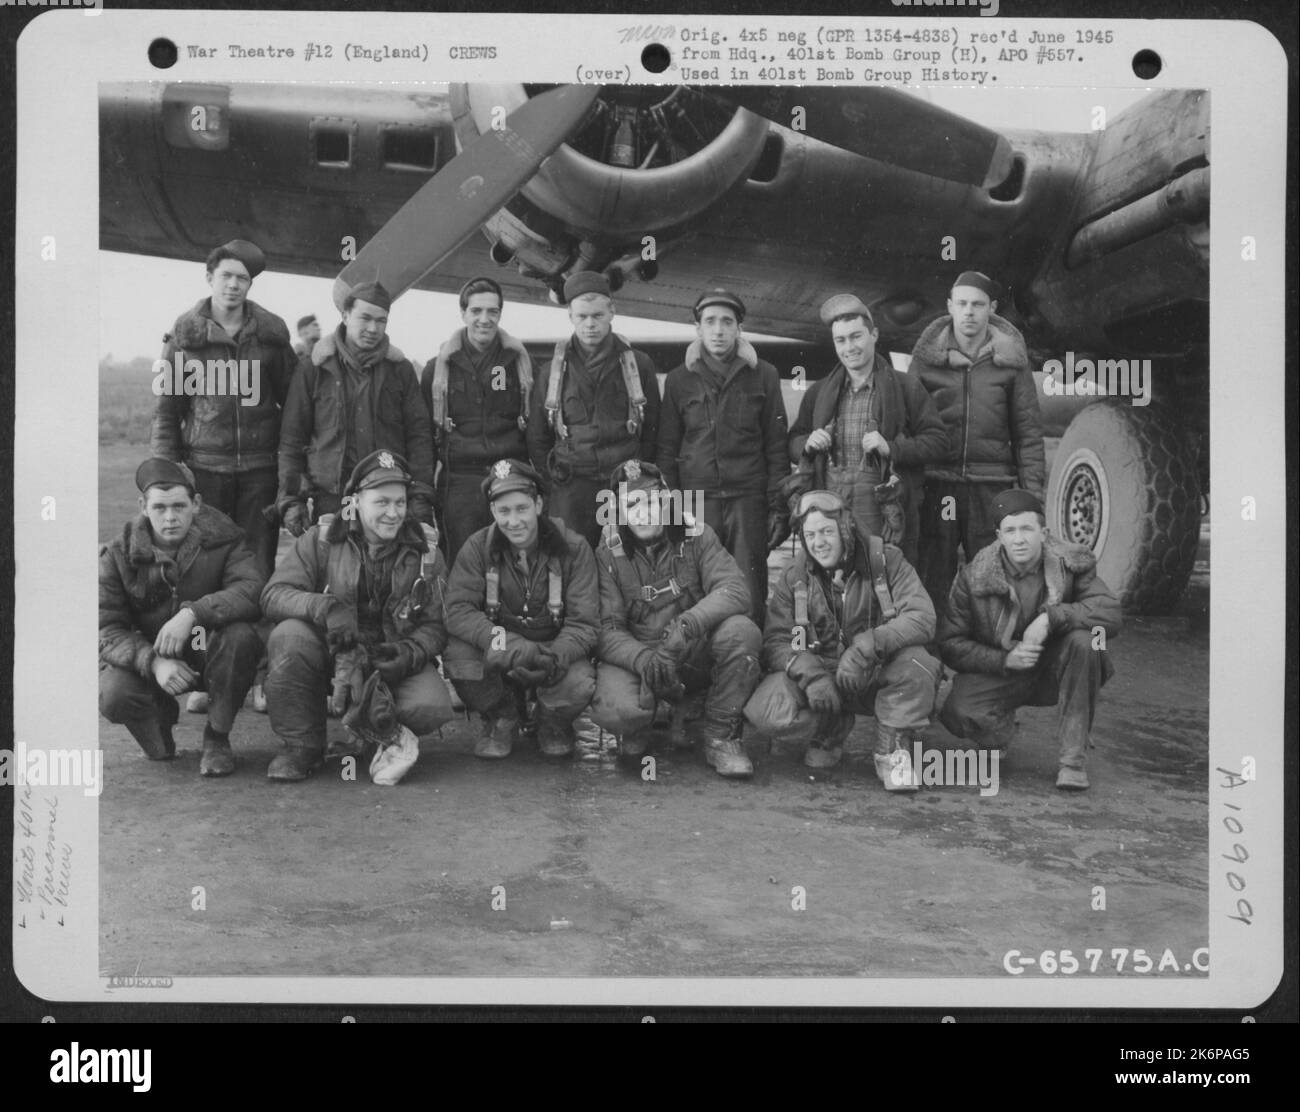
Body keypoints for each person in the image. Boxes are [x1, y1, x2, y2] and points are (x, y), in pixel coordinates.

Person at [260, 450, 454, 783]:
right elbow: (274, 595)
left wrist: (410, 653)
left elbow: (437, 624)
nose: (393, 514)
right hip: (329, 654)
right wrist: (326, 608)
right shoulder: (322, 539)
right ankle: (301, 746)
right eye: (381, 503)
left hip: (388, 659)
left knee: (431, 705)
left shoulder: (427, 551)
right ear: (356, 501)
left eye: (400, 503)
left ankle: (373, 730)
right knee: (288, 637)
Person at [744, 490, 940, 790]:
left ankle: (893, 750)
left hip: (873, 671)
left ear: (846, 530)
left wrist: (867, 647)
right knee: (766, 711)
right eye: (810, 535)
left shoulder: (886, 561)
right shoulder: (795, 575)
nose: (818, 542)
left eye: (826, 531)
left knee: (916, 664)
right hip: (824, 673)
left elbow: (922, 617)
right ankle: (830, 728)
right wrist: (809, 674)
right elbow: (776, 640)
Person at [936, 488, 1121, 791]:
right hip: (1004, 671)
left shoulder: (1072, 564)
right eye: (1010, 530)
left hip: (1057, 667)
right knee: (957, 710)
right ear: (999, 535)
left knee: (1088, 641)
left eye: (1027, 529)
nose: (1019, 539)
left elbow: (1110, 614)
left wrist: (1052, 617)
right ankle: (999, 733)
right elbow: (950, 645)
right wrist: (1004, 659)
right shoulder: (973, 577)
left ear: (1044, 533)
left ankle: (1073, 761)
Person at [589, 460, 761, 778]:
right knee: (617, 708)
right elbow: (607, 628)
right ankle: (641, 722)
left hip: (688, 651)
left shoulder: (697, 535)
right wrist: (645, 661)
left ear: (668, 500)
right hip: (640, 659)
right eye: (632, 504)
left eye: (652, 501)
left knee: (741, 633)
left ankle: (721, 736)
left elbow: (736, 590)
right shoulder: (607, 552)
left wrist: (686, 626)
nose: (644, 511)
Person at [99, 459, 264, 777]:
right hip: (150, 658)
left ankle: (217, 736)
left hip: (207, 649)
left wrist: (194, 612)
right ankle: (157, 721)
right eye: (160, 508)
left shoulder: (225, 540)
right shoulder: (118, 554)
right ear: (143, 507)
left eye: (179, 506)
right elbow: (106, 629)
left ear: (196, 504)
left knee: (241, 637)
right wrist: (154, 662)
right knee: (113, 693)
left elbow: (252, 590)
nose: (171, 518)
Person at [443, 459, 599, 759]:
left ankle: (552, 722)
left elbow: (586, 623)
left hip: (553, 650)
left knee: (579, 682)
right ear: (492, 512)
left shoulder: (574, 548)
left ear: (538, 504)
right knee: (459, 655)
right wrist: (507, 644)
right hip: (503, 649)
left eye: (521, 509)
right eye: (504, 511)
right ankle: (503, 715)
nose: (513, 521)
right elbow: (458, 609)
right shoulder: (477, 548)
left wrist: (554, 657)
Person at [910, 271, 1045, 609]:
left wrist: (1031, 499)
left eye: (978, 304)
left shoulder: (1012, 364)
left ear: (992, 309)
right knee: (933, 572)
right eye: (963, 304)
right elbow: (908, 426)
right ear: (950, 307)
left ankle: (987, 653)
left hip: (991, 486)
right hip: (938, 484)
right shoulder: (926, 362)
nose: (969, 312)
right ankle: (931, 653)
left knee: (991, 574)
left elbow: (1028, 435)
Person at [657, 288, 789, 626]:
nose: (718, 330)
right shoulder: (677, 380)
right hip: (696, 501)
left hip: (747, 499)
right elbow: (667, 449)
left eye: (727, 322)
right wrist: (673, 504)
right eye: (710, 321)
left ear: (739, 329)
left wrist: (777, 505)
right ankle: (701, 662)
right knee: (696, 585)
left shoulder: (765, 375)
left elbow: (776, 447)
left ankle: (750, 655)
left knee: (749, 585)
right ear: (698, 328)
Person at [787, 293, 946, 568]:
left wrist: (892, 448)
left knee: (883, 572)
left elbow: (939, 442)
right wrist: (807, 444)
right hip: (831, 499)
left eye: (856, 336)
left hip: (881, 502)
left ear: (874, 334)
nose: (849, 347)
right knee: (834, 577)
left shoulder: (906, 387)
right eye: (841, 340)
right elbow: (793, 441)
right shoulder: (819, 392)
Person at [277, 281, 436, 534]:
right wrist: (290, 499)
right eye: (365, 318)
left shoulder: (401, 371)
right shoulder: (313, 369)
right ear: (345, 315)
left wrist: (419, 496)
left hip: (388, 497)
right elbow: (292, 439)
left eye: (381, 321)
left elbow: (419, 437)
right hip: (331, 497)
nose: (373, 328)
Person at [527, 271, 660, 548]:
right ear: (570, 316)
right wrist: (554, 486)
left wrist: (636, 475)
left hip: (624, 483)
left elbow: (654, 430)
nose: (590, 324)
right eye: (582, 316)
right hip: (571, 487)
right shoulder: (551, 371)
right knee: (571, 562)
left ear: (612, 312)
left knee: (627, 560)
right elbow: (538, 437)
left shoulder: (639, 365)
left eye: (597, 316)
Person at [421, 276, 533, 561]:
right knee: (462, 560)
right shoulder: (437, 370)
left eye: (492, 311)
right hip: (460, 482)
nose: (484, 319)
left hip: (509, 477)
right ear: (463, 314)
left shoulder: (520, 364)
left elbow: (536, 428)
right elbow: (423, 437)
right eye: (476, 311)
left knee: (513, 560)